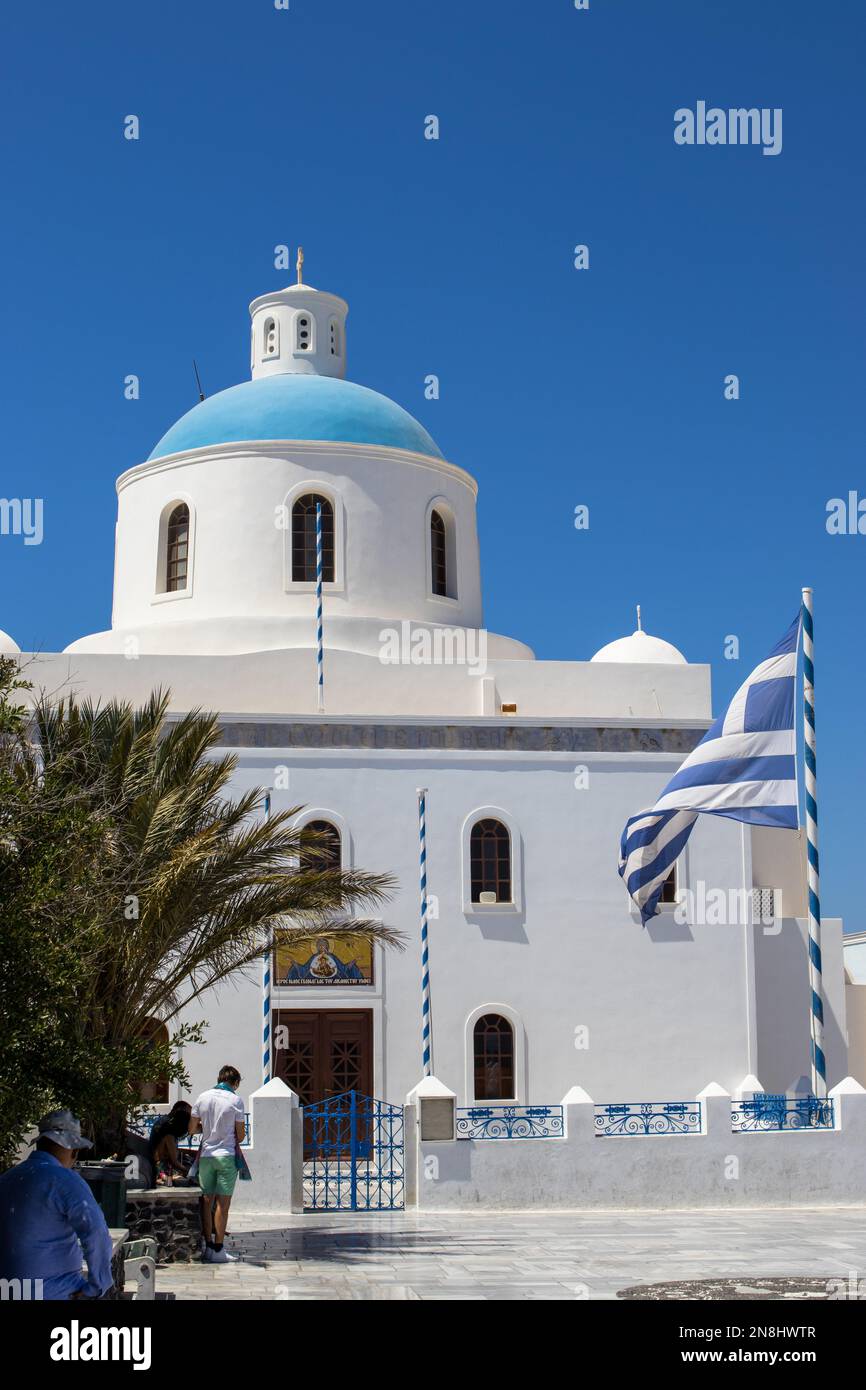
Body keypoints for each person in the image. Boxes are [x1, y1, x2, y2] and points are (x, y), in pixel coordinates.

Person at [0, 1109, 114, 1300]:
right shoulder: (64, 1180)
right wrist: (97, 1287)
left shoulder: (6, 1179)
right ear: (73, 1149)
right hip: (53, 1292)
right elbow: (96, 1234)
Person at [189, 1066, 246, 1264]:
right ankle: (219, 1248)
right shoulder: (236, 1100)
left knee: (207, 1201)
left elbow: (191, 1128)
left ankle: (207, 1246)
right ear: (235, 1082)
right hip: (226, 1156)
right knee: (223, 1203)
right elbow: (240, 1134)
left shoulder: (202, 1097)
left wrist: (207, 1128)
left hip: (206, 1156)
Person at [149, 1101, 192, 1185]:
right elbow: (174, 1161)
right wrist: (189, 1172)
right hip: (161, 1169)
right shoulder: (169, 1132)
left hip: (160, 1166)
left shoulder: (165, 1123)